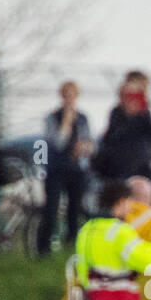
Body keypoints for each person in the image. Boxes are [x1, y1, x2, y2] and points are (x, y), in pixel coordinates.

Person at [37, 81, 92, 256]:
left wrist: (84, 147)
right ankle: (43, 249)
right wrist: (66, 124)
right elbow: (57, 143)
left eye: (73, 94)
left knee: (75, 209)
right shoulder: (52, 117)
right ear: (62, 95)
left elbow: (90, 143)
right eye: (66, 94)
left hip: (76, 169)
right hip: (56, 169)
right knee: (51, 209)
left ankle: (74, 246)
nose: (69, 98)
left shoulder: (83, 118)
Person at [94, 80, 151, 181]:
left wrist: (143, 111)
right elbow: (111, 137)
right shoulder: (116, 113)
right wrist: (129, 116)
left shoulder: (143, 113)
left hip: (141, 163)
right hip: (119, 165)